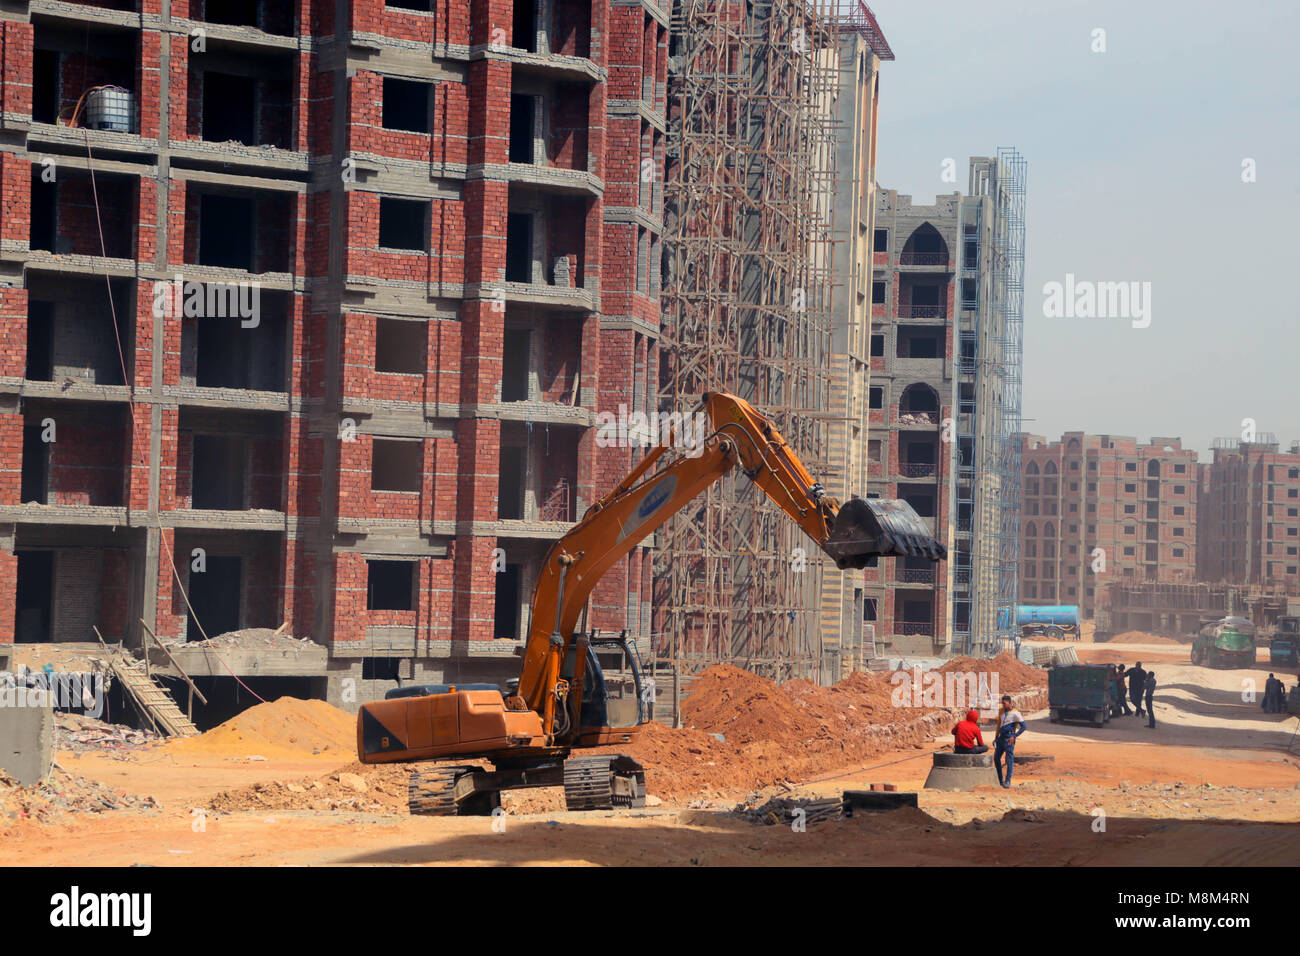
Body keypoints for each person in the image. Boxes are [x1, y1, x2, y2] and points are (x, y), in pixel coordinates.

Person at [994, 695, 1026, 788]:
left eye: (1004, 703)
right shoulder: (1001, 711)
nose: (1003, 705)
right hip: (1001, 738)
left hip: (1009, 739)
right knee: (996, 758)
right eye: (1002, 703)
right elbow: (998, 725)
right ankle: (1000, 779)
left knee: (1009, 760)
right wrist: (996, 737)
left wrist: (1014, 736)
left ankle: (1007, 781)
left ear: (1010, 703)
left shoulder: (1016, 713)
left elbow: (1024, 726)